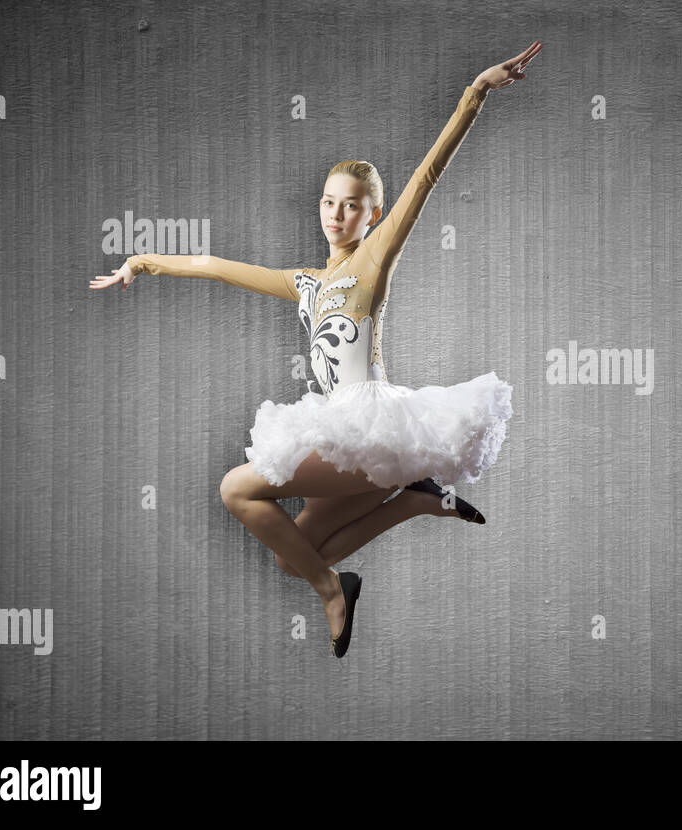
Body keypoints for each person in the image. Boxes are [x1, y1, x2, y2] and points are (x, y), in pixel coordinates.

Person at [89, 41, 543, 658]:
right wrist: (141, 262)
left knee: (236, 490)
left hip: (370, 424)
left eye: (352, 205)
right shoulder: (304, 284)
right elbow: (217, 266)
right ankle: (414, 505)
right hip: (349, 435)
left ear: (370, 214)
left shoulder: (374, 259)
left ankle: (332, 588)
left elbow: (426, 176)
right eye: (329, 202)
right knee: (290, 559)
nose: (337, 213)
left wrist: (477, 91)